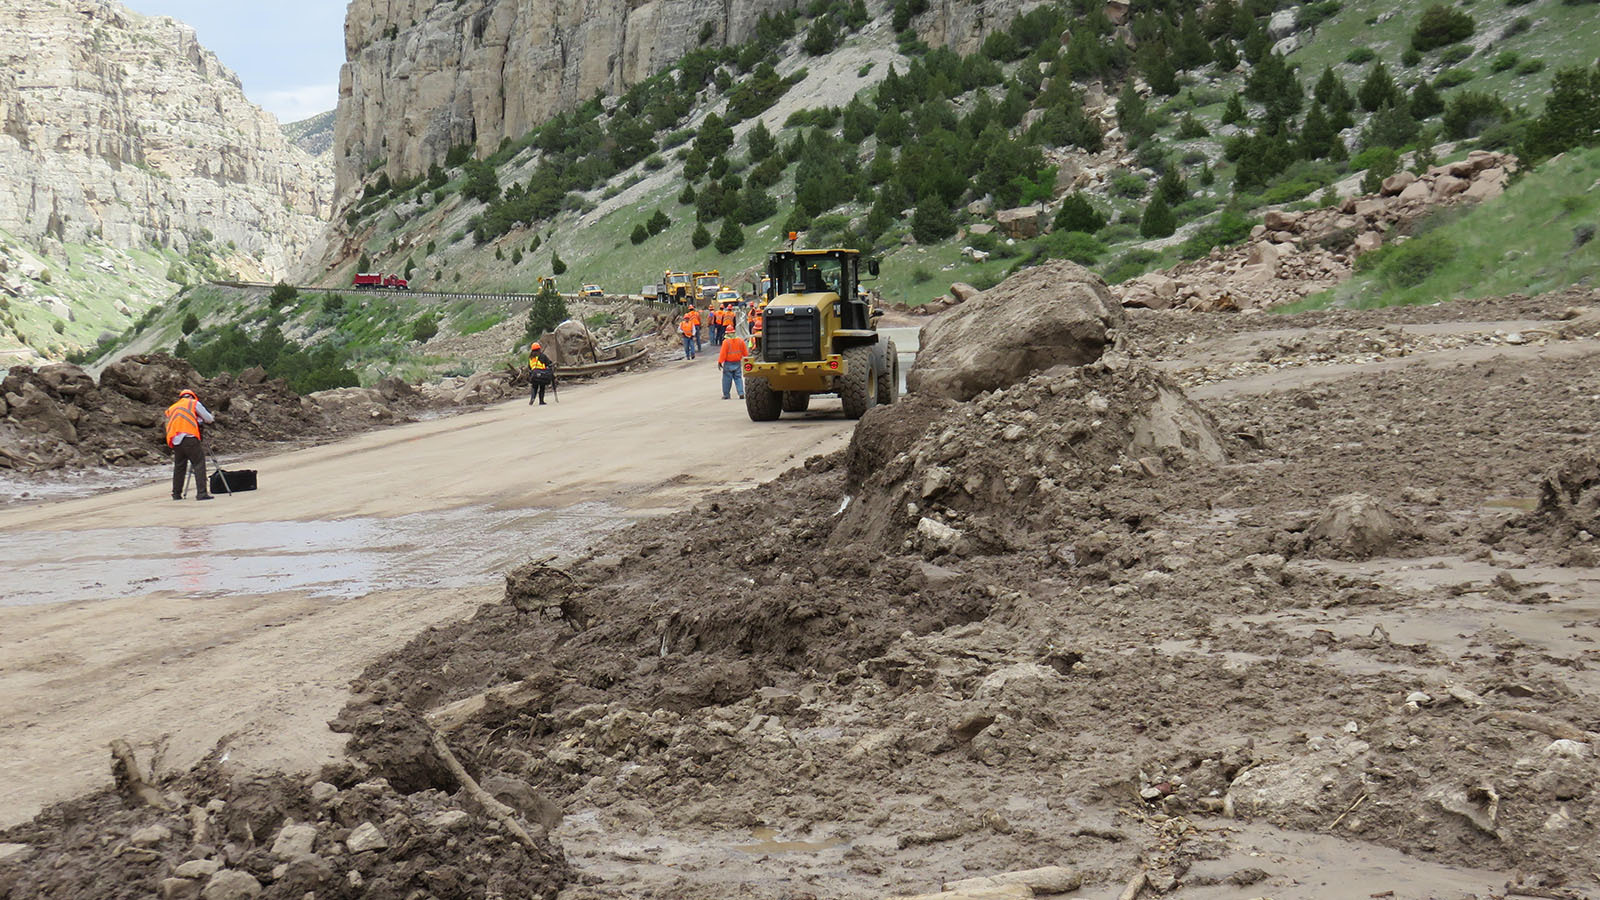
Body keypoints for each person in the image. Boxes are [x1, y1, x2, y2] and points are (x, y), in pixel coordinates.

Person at [165, 388, 215, 501]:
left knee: (179, 466)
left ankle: (176, 494)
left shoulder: (173, 407)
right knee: (199, 463)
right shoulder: (193, 403)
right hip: (189, 437)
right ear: (192, 396)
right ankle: (202, 493)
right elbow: (209, 419)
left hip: (175, 440)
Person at [718, 329, 748, 400]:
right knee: (738, 378)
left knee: (727, 380)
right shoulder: (740, 341)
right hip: (737, 362)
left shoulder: (726, 342)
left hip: (728, 363)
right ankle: (741, 393)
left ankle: (726, 395)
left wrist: (720, 362)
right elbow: (745, 352)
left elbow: (723, 353)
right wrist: (747, 359)